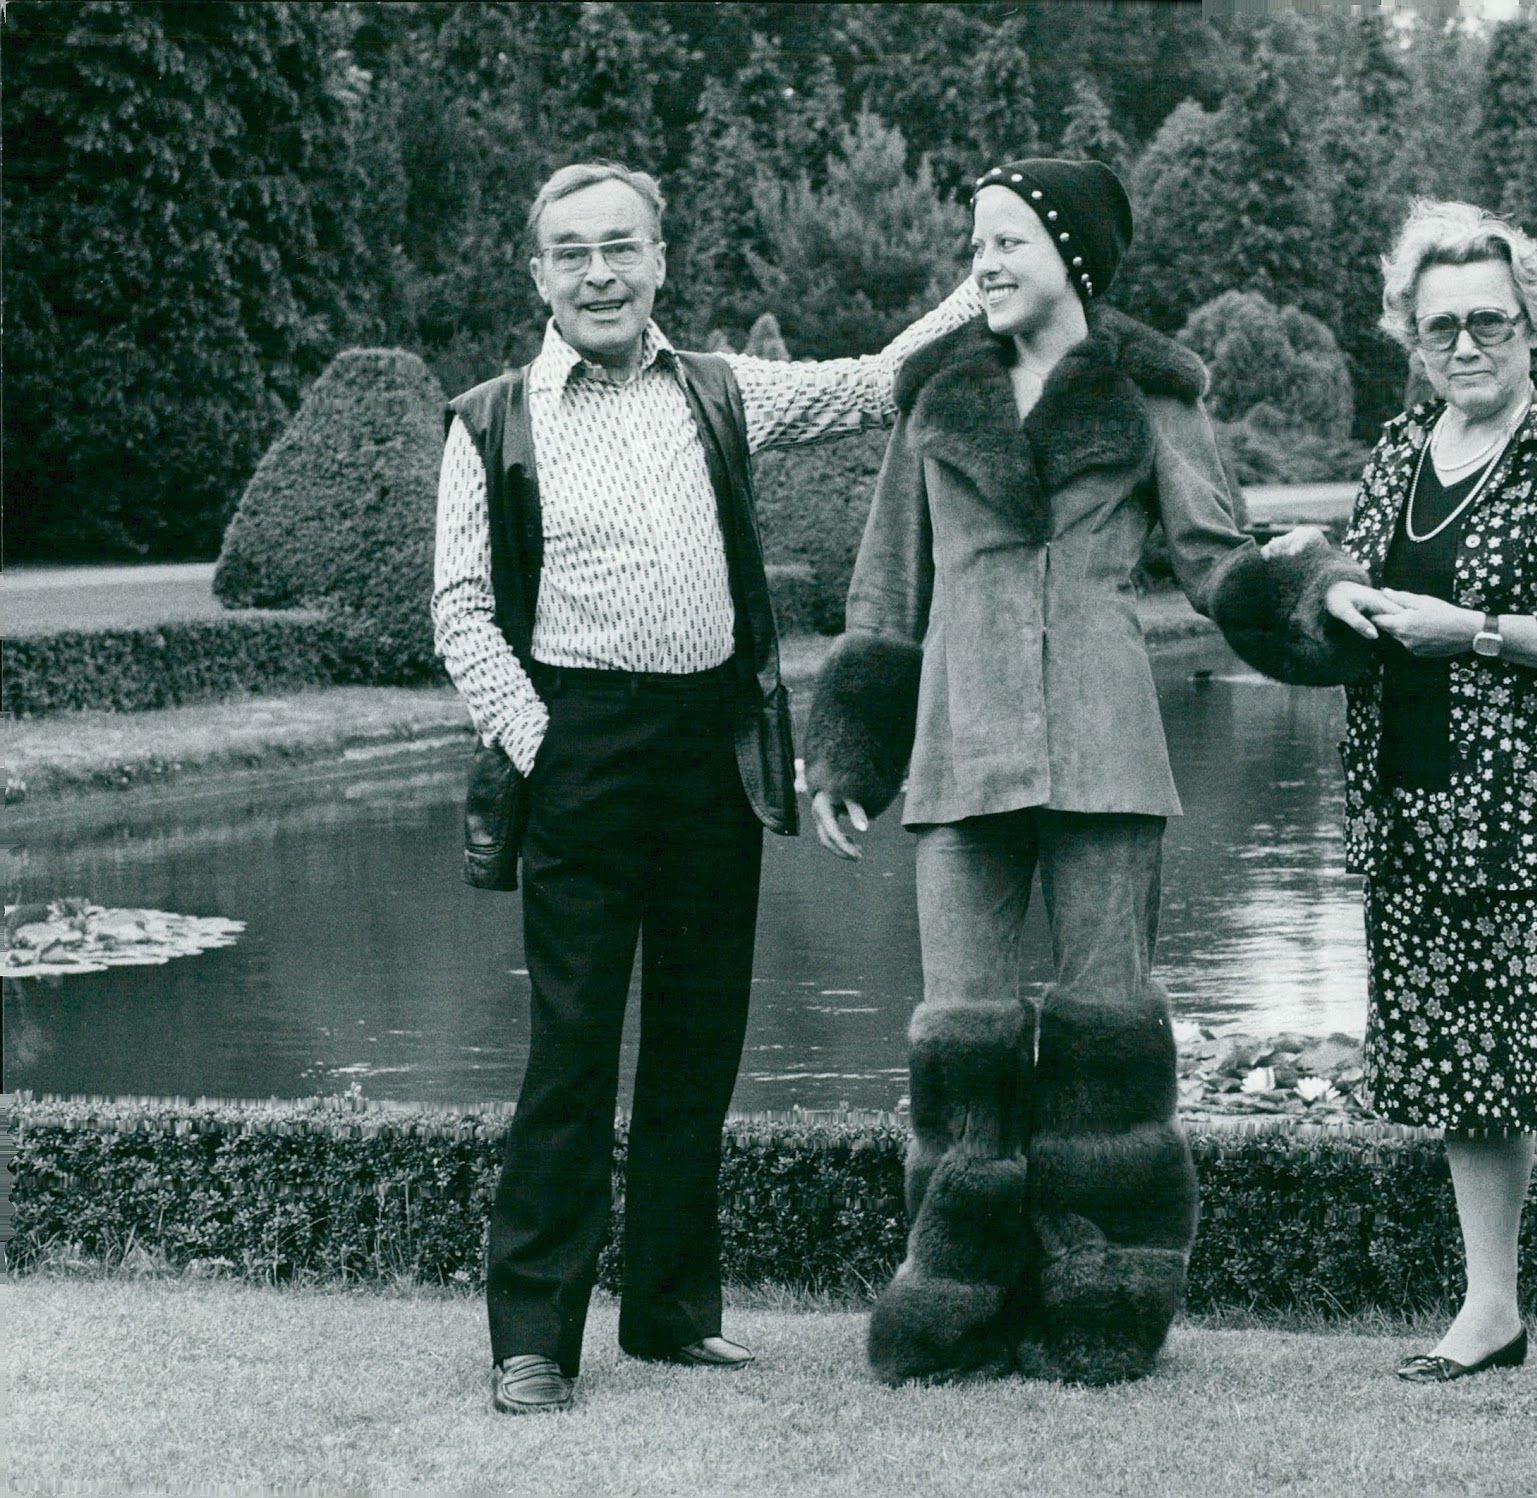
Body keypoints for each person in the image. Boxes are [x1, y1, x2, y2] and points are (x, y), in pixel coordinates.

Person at [799, 158, 1369, 1386]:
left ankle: (1104, 1292)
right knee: (961, 1033)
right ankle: (956, 1293)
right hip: (958, 749)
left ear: (1071, 252)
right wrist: (849, 748)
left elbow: (1220, 562)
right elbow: (885, 592)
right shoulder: (931, 399)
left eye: (1006, 241)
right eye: (976, 243)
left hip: (1108, 747)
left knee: (1108, 1034)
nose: (983, 264)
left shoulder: (1154, 397)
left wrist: (1321, 597)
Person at [432, 160, 981, 1415]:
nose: (598, 273)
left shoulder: (722, 392)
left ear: (660, 260)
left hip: (710, 754)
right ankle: (532, 1339)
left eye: (619, 247)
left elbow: (868, 382)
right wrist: (540, 745)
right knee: (569, 1052)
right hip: (576, 746)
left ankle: (672, 1314)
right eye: (570, 253)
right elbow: (462, 612)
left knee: (697, 1045)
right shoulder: (489, 418)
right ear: (537, 276)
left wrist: (983, 282)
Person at [1268, 198, 1537, 1407]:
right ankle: (1488, 1310)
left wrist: (1473, 632)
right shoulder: (1396, 454)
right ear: (1407, 333)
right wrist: (1328, 581)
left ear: (1533, 321)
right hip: (1417, 805)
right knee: (1462, 1071)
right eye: (1436, 325)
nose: (1464, 346)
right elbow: (1365, 587)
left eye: (1487, 320)